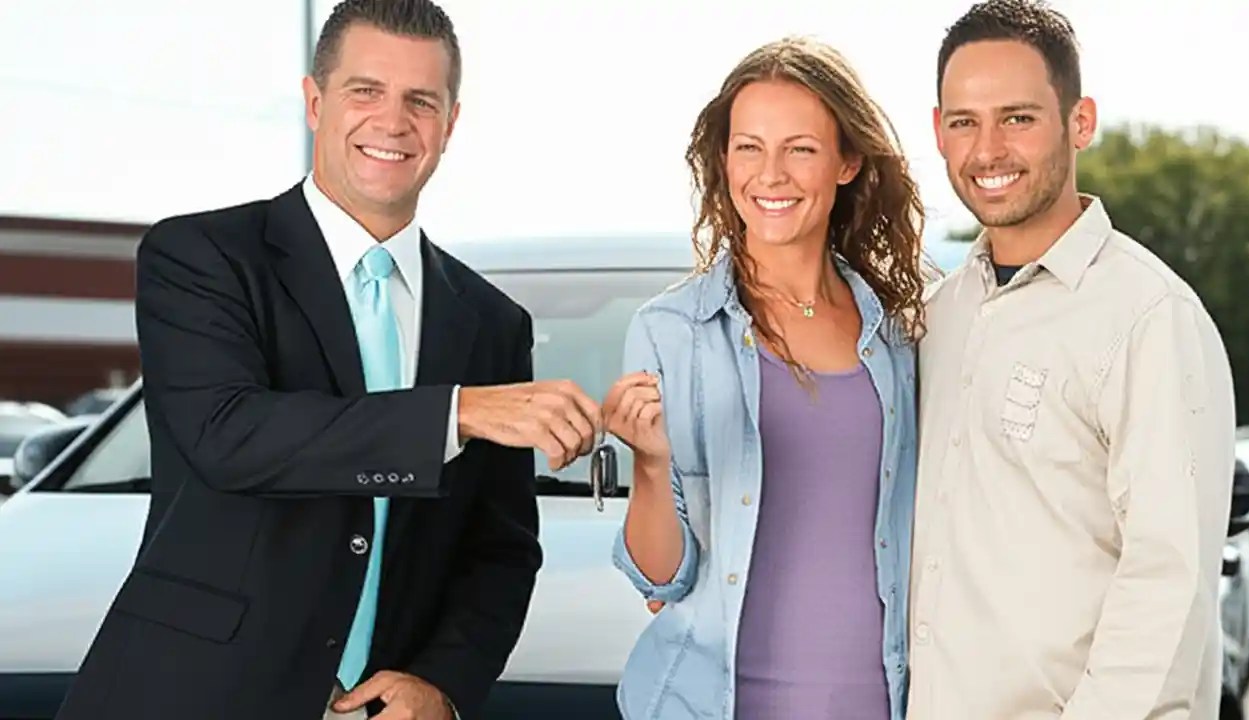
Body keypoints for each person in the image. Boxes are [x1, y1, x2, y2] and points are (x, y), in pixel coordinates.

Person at [54, 2, 603, 719]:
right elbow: (230, 434)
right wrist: (456, 412)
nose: (393, 121)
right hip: (189, 696)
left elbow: (498, 550)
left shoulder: (492, 322)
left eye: (420, 101)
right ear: (316, 102)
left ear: (450, 124)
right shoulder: (203, 258)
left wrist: (442, 682)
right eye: (365, 91)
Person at [908, 2, 1236, 718]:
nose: (987, 149)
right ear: (938, 132)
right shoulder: (937, 318)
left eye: (1018, 118)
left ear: (1079, 121)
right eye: (964, 121)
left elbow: (1166, 584)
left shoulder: (1150, 319)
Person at [603, 36, 930, 720]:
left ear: (847, 162)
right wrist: (651, 467)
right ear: (723, 162)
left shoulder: (900, 335)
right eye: (748, 147)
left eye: (800, 149)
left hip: (878, 704)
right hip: (711, 705)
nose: (770, 174)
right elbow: (661, 578)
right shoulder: (670, 331)